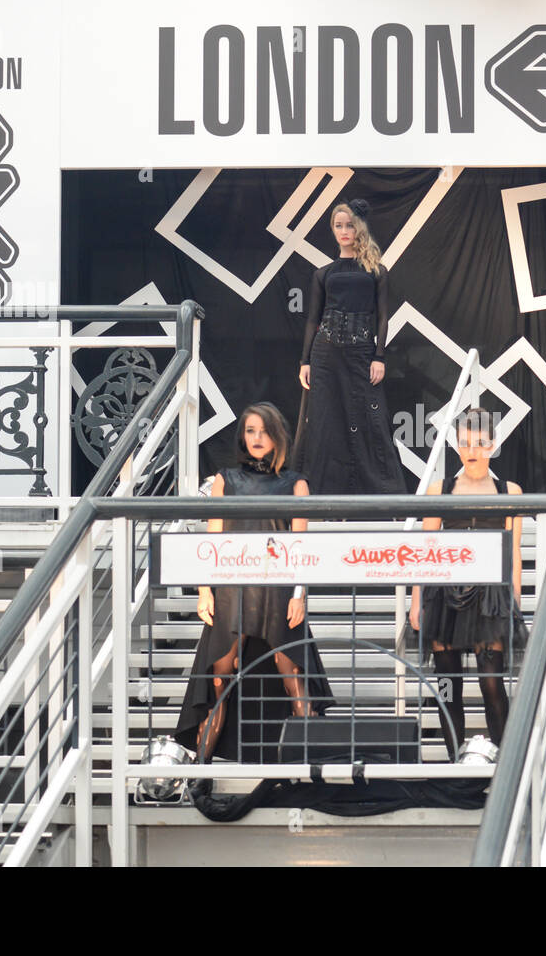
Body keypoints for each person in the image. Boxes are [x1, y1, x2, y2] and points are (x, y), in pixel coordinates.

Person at [173, 403, 332, 763]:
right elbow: (212, 540)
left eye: (263, 431)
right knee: (218, 682)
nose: (257, 438)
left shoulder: (296, 483)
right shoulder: (224, 480)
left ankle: (307, 769)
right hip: (232, 589)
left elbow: (300, 547)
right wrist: (203, 591)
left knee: (293, 676)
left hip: (278, 590)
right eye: (250, 431)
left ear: (277, 435)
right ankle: (201, 773)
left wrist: (299, 594)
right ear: (242, 437)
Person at [410, 408, 526, 760]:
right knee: (448, 687)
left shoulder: (511, 491)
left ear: (493, 443)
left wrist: (514, 603)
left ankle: (505, 765)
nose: (472, 449)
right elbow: (426, 550)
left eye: (479, 441)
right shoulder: (439, 490)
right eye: (464, 442)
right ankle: (454, 764)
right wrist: (417, 603)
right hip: (445, 595)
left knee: (491, 681)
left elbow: (514, 553)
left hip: (491, 597)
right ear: (455, 444)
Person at [295, 199, 406, 495]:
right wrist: (305, 361)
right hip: (325, 355)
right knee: (323, 422)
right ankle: (320, 498)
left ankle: (381, 501)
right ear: (332, 229)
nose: (344, 231)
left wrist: (379, 355)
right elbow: (312, 321)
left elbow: (383, 317)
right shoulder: (323, 274)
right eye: (338, 226)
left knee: (372, 421)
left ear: (359, 228)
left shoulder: (377, 271)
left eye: (349, 225)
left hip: (361, 355)